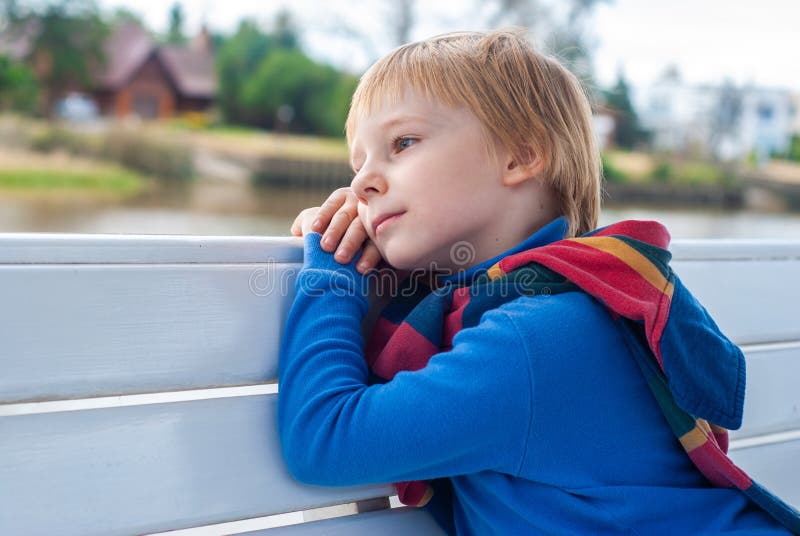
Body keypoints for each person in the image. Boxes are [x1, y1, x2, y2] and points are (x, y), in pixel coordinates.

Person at [278, 29, 799, 534]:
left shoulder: (535, 340)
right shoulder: (552, 304)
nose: (361, 183)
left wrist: (332, 263)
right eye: (358, 162)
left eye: (403, 142)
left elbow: (323, 439)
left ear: (521, 155)